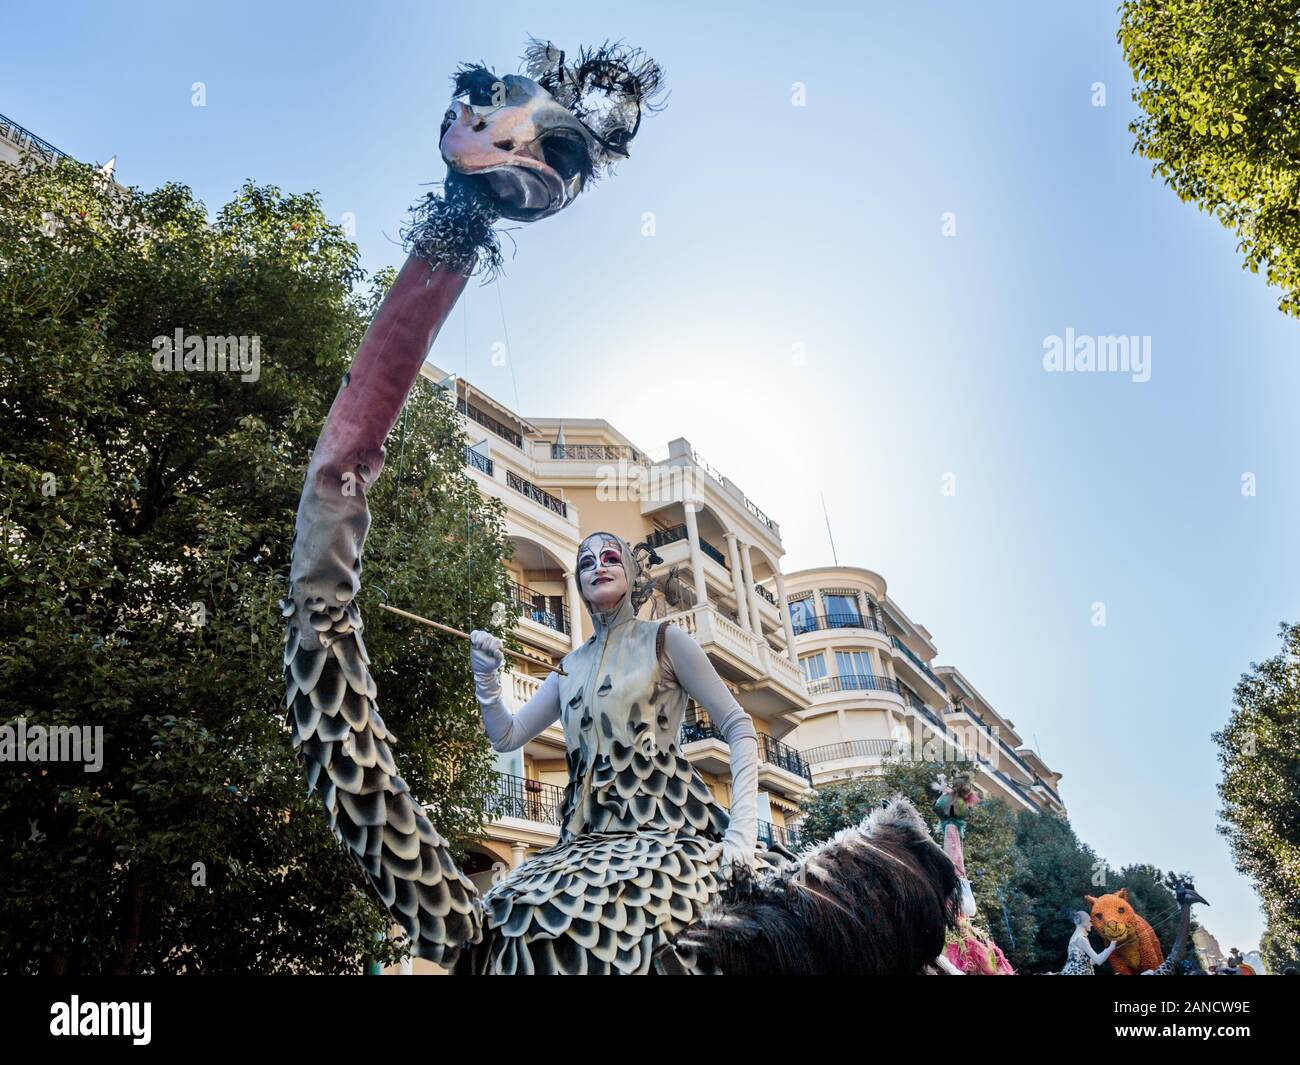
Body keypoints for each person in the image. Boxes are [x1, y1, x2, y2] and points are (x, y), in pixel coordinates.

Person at [458, 530, 762, 974]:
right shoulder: (569, 667)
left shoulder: (666, 641)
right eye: (585, 562)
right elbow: (506, 736)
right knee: (508, 912)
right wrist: (487, 680)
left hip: (664, 832)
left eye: (610, 557)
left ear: (632, 572)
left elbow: (739, 726)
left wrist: (743, 831)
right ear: (579, 583)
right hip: (581, 843)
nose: (597, 566)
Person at [1057, 910, 1118, 974]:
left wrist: (1106, 951)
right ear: (1084, 922)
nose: (1091, 924)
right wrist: (1111, 947)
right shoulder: (1081, 939)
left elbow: (1083, 961)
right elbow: (1099, 960)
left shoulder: (1075, 937)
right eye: (1090, 921)